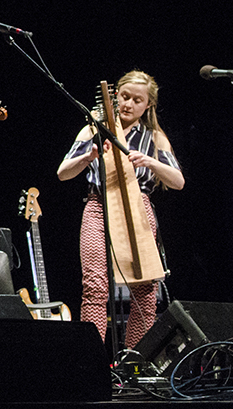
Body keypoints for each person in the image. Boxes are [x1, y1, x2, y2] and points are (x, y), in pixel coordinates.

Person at [57, 69, 183, 350]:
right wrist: (89, 155)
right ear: (115, 98)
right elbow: (63, 173)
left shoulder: (154, 137)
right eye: (125, 97)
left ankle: (133, 362)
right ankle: (91, 359)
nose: (129, 104)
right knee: (95, 287)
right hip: (98, 208)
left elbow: (177, 181)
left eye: (137, 100)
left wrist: (150, 162)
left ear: (148, 105)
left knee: (145, 290)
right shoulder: (93, 128)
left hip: (138, 209)